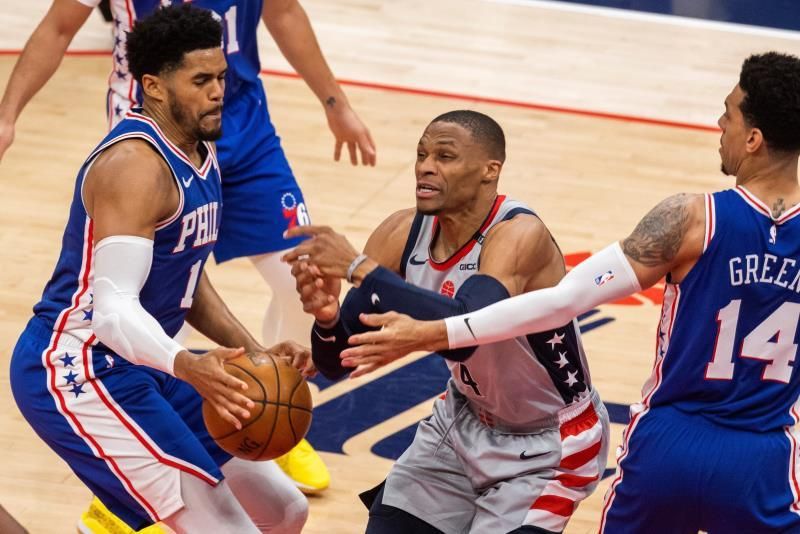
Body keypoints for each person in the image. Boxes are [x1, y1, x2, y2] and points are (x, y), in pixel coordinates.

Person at [338, 52, 800, 533]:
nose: (718, 124)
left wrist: (434, 329)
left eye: (728, 114)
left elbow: (562, 301)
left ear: (752, 139)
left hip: (668, 445)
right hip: (763, 456)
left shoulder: (692, 219)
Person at [0, 0, 376, 497]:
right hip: (160, 125)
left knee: (298, 279)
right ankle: (121, 488)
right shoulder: (141, 156)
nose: (214, 85)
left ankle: (267, 398)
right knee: (133, 295)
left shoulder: (210, 115)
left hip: (238, 128)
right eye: (207, 79)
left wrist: (336, 103)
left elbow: (283, 11)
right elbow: (59, 25)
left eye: (216, 77)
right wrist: (8, 115)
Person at [282, 110, 610, 533]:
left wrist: (363, 270)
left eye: (445, 156)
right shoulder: (402, 232)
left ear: (490, 170)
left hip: (549, 443)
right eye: (421, 154)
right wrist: (327, 319)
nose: (425, 166)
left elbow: (467, 330)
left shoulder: (518, 235)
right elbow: (335, 362)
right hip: (462, 420)